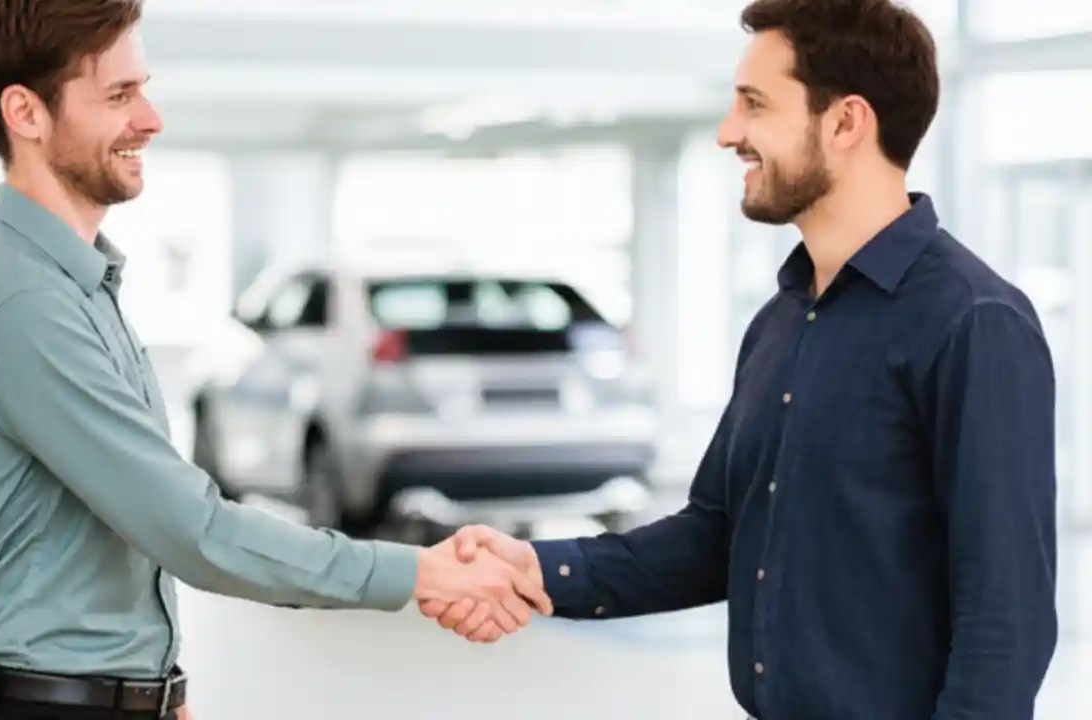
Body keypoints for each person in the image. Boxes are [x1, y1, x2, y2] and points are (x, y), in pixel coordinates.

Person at [422, 0, 1059, 717]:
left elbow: (1006, 623)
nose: (730, 134)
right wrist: (538, 567)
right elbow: (718, 534)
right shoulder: (783, 320)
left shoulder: (974, 323)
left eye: (754, 105)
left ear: (846, 122)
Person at [0, 2, 551, 719]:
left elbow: (101, 539)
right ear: (26, 113)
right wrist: (421, 572)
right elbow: (194, 531)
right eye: (120, 95)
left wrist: (154, 690)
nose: (152, 119)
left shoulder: (76, 286)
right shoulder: (26, 308)